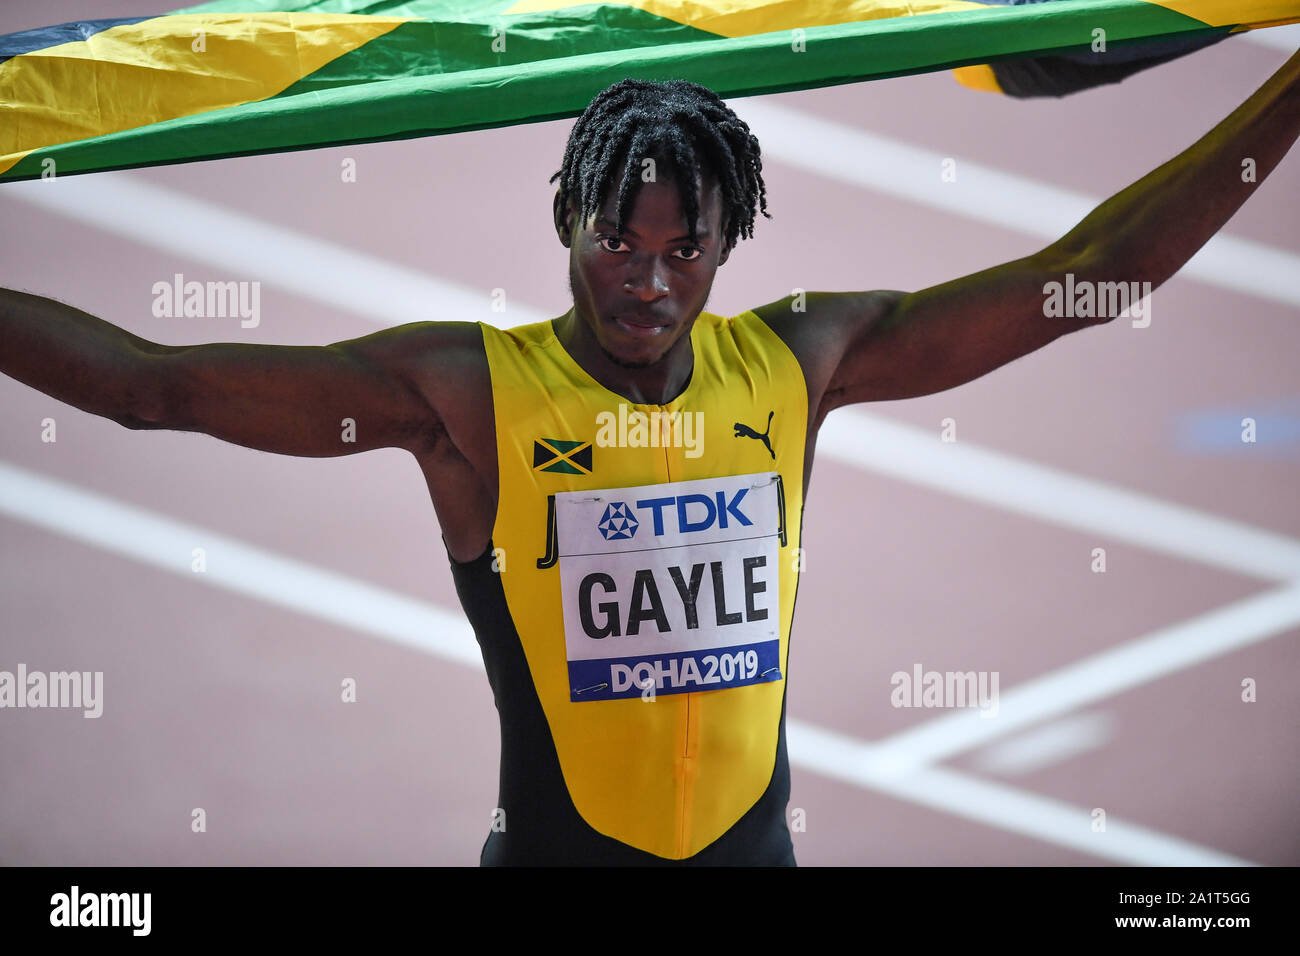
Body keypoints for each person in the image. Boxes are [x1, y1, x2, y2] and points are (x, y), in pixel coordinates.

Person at [2, 58, 1298, 865]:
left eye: (687, 251)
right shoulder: (467, 395)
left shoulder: (798, 364)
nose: (650, 282)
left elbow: (1087, 280)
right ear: (569, 219)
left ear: (733, 240)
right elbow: (148, 390)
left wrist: (1287, 96)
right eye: (621, 242)